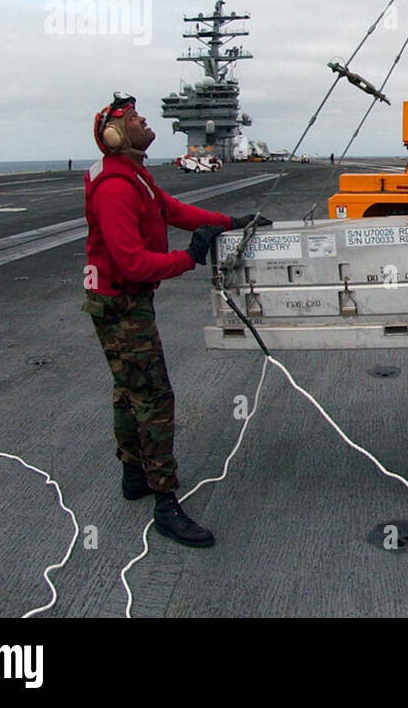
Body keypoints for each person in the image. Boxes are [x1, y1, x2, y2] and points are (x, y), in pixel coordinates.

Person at [82, 92, 270, 547]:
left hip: (118, 300)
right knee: (155, 400)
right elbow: (132, 263)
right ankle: (165, 504)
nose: (145, 121)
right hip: (121, 303)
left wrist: (229, 220)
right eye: (135, 119)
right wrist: (188, 258)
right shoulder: (115, 188)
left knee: (128, 391)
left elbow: (173, 211)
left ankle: (133, 475)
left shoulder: (133, 176)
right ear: (115, 135)